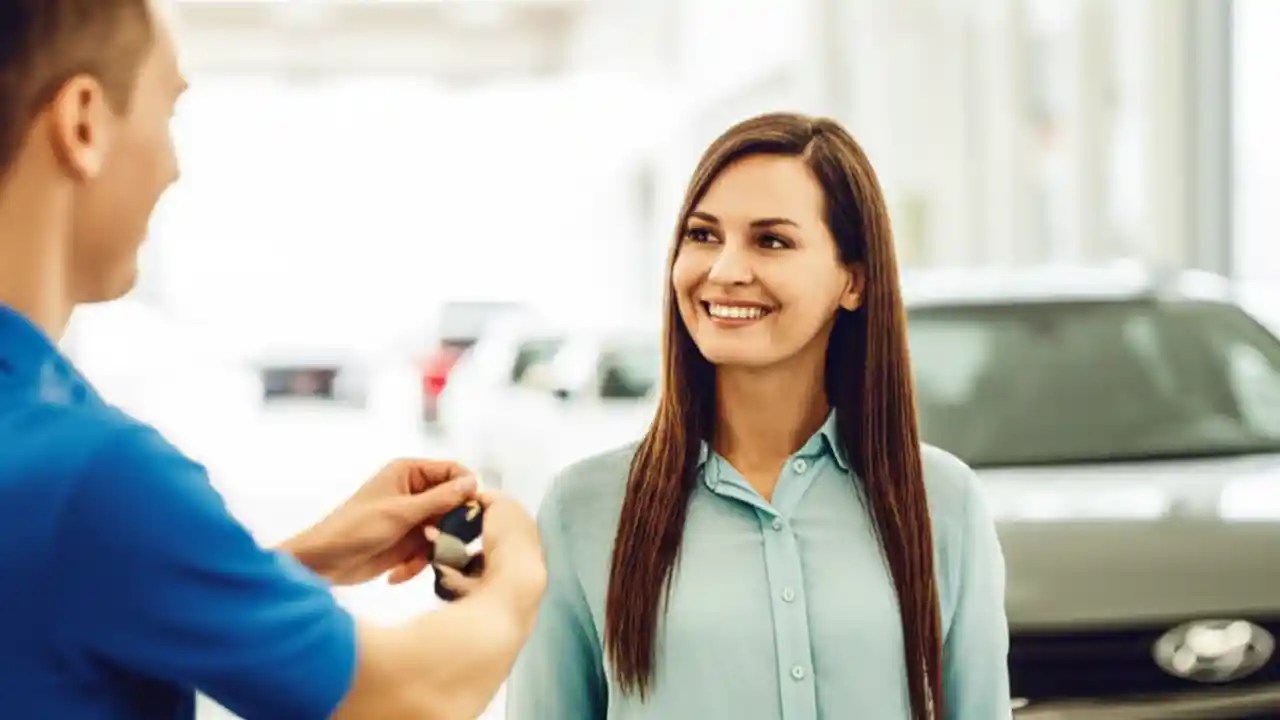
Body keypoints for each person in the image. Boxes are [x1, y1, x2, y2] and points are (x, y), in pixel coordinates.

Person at [0, 1, 546, 718]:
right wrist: (515, 579)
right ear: (83, 124)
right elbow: (406, 697)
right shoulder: (92, 475)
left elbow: (48, 596)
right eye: (168, 113)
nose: (173, 169)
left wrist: (300, 560)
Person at [504, 112, 1012, 719]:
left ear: (853, 281)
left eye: (771, 241)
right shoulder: (583, 509)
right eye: (703, 235)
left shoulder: (944, 503)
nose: (724, 271)